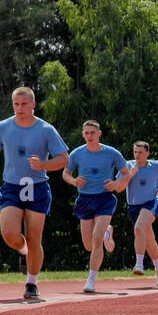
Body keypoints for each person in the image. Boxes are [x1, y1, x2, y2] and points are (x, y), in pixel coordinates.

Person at [0, 87, 69, 301]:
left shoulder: (46, 130)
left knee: (34, 237)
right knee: (10, 233)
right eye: (16, 104)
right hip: (12, 187)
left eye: (23, 104)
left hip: (38, 187)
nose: (19, 108)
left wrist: (43, 164)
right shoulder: (2, 127)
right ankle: (23, 251)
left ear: (33, 104)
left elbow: (64, 159)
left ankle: (32, 283)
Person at [62, 120, 128, 294]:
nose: (89, 136)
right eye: (86, 133)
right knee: (89, 245)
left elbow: (126, 173)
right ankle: (107, 231)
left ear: (99, 134)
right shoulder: (77, 154)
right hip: (84, 199)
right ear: (83, 134)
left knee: (96, 238)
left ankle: (91, 280)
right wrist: (74, 181)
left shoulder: (112, 153)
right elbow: (66, 173)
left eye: (92, 133)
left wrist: (116, 183)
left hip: (105, 199)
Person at [123, 141, 158, 285]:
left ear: (147, 153)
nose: (137, 155)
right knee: (149, 240)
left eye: (140, 152)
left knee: (139, 228)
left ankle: (139, 264)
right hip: (133, 207)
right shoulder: (128, 165)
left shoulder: (156, 166)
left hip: (151, 202)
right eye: (135, 152)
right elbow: (119, 182)